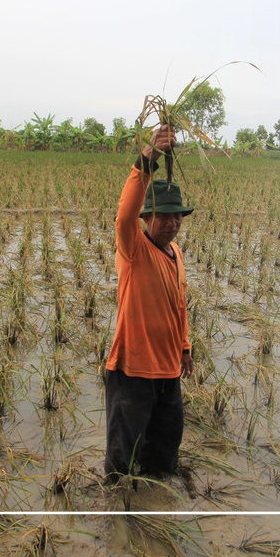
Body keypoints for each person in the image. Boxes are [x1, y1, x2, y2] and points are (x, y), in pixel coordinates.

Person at [104, 124, 194, 482]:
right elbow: (124, 212)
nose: (172, 223)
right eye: (163, 215)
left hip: (169, 370)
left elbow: (179, 306)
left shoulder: (175, 252)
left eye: (177, 216)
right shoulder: (133, 250)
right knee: (123, 456)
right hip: (133, 371)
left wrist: (185, 348)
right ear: (146, 218)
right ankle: (120, 505)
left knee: (165, 446)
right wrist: (149, 156)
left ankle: (158, 496)